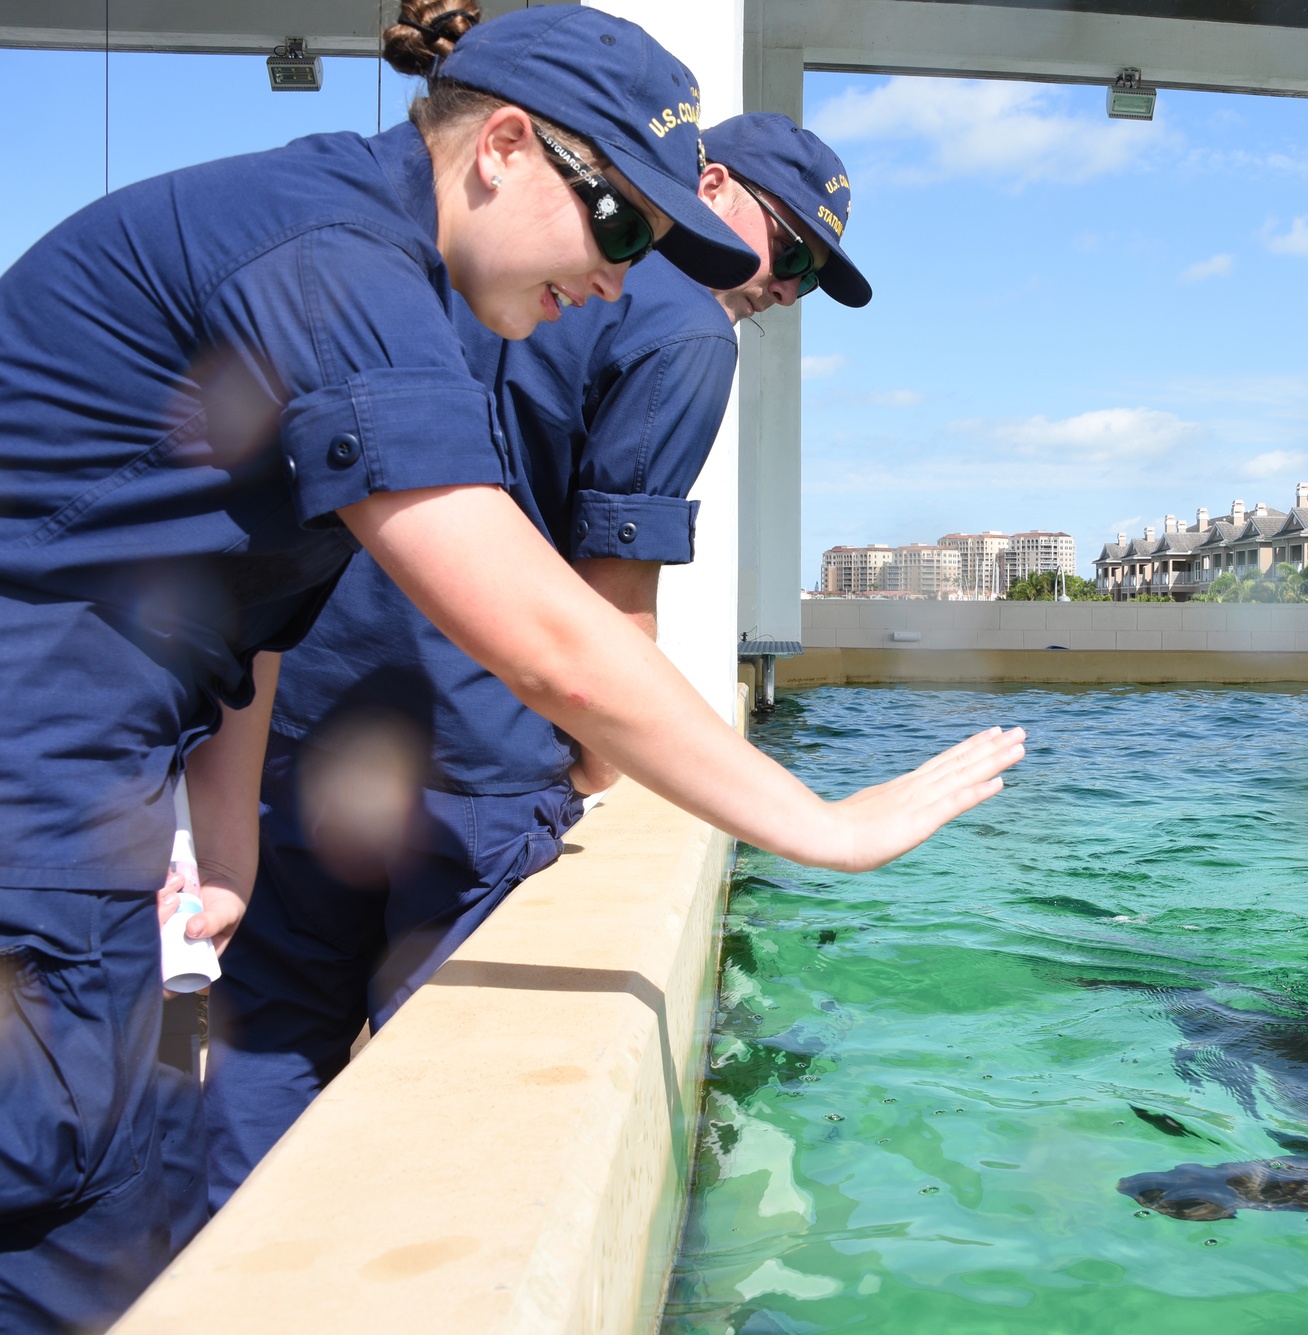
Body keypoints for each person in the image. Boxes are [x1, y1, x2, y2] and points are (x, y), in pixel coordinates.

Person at [0, 7, 1023, 1330]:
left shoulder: (376, 263)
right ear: (503, 148)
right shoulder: (339, 263)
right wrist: (819, 823)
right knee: (65, 1227)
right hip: (36, 799)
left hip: (94, 778)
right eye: (619, 229)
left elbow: (240, 613)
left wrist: (231, 847)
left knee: (140, 1197)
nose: (624, 277)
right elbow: (547, 634)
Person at [201, 48, 877, 1213]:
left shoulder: (418, 262)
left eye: (815, 275)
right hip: (474, 753)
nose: (788, 286)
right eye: (790, 246)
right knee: (450, 1110)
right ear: (700, 182)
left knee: (263, 1053)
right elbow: (614, 592)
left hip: (307, 721)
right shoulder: (679, 331)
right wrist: (597, 760)